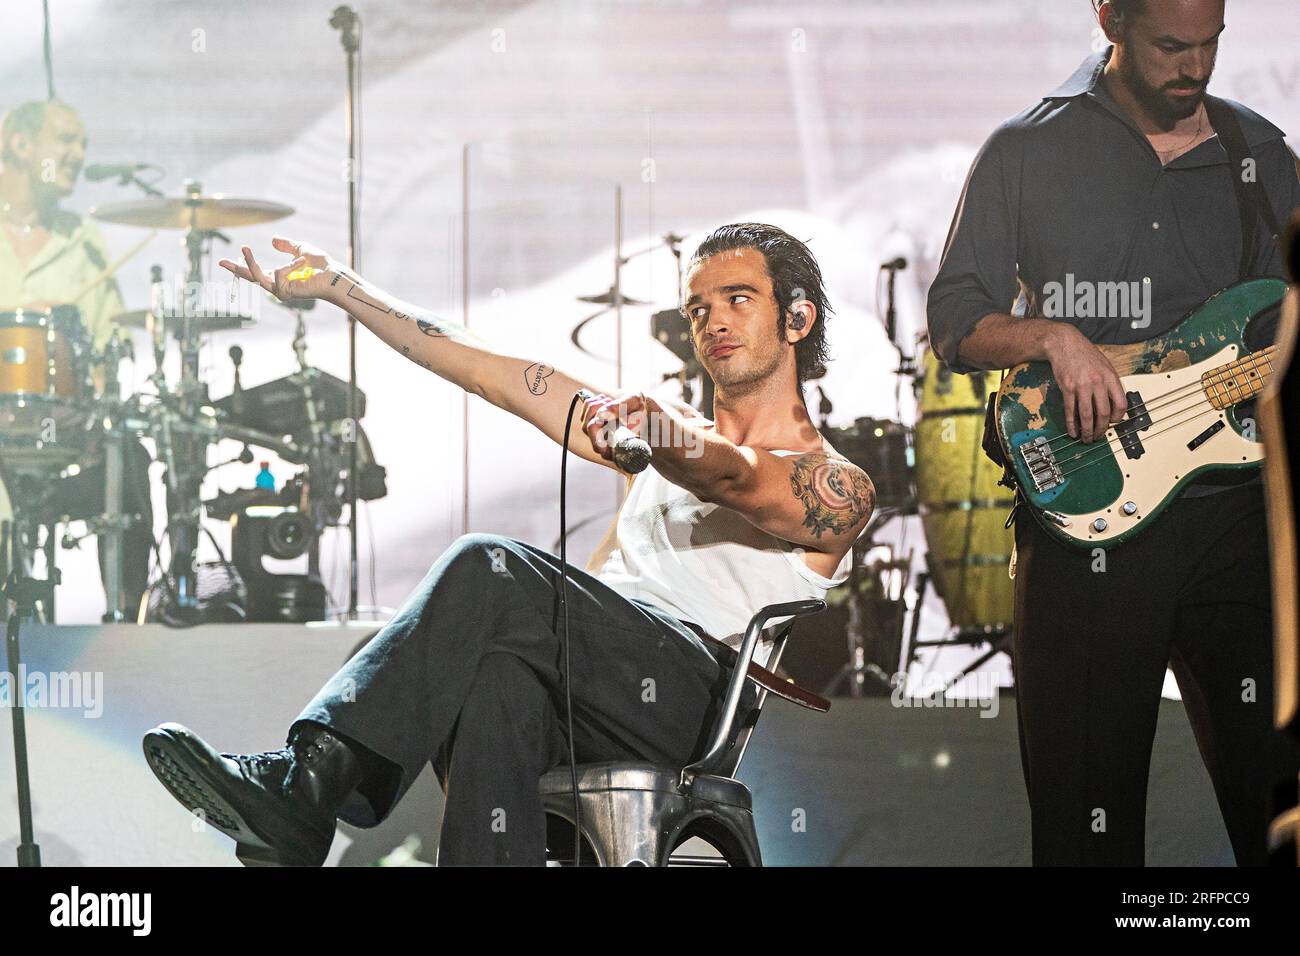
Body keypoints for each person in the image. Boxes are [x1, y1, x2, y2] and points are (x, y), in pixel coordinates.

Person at [143, 222, 875, 865]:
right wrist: (340, 287)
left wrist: (662, 435)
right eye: (698, 307)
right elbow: (485, 367)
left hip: (683, 698)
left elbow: (739, 479)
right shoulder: (646, 430)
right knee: (494, 676)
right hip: (580, 681)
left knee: (486, 564)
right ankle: (306, 798)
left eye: (738, 299)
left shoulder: (837, 484)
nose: (713, 319)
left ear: (797, 317)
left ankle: (306, 783)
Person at [927, 0, 1300, 865]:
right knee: (1084, 827)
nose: (1195, 68)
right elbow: (954, 316)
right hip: (1086, 509)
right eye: (1172, 46)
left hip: (1237, 516)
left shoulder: (1259, 153)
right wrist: (1055, 339)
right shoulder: (1026, 149)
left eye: (1210, 44)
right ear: (1110, 20)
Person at [0, 98, 153, 616]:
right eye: (65, 140)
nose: (78, 155)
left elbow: (109, 345)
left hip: (62, 433)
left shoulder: (83, 239)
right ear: (20, 145)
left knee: (130, 457)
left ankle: (128, 622)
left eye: (83, 144)